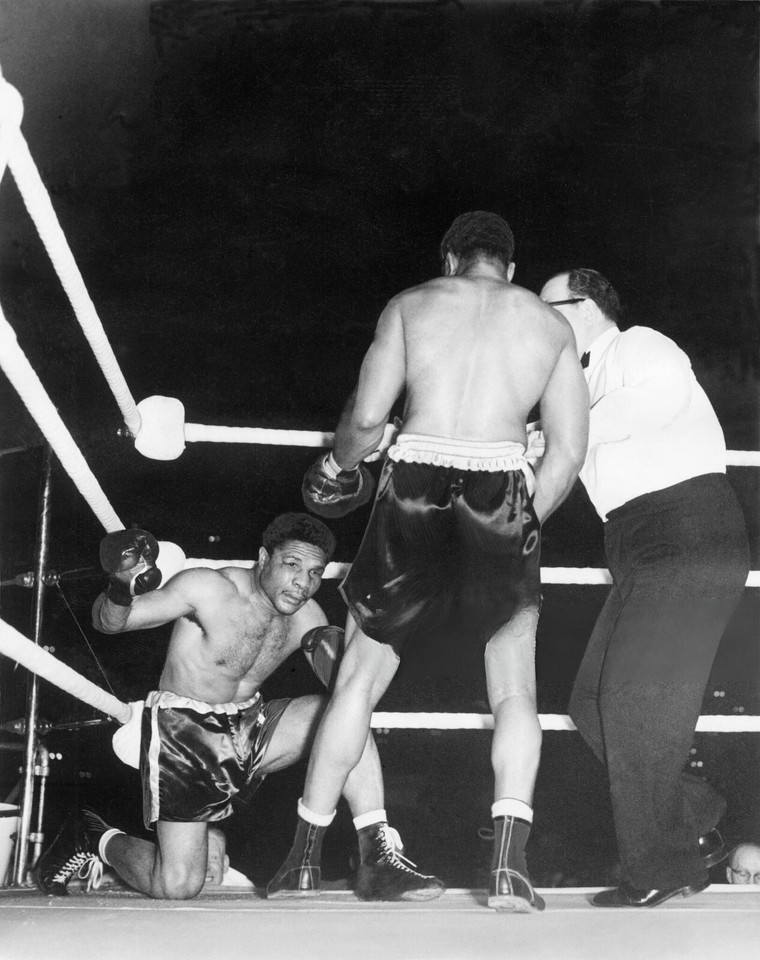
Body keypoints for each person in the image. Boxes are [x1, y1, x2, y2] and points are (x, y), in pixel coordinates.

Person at [268, 212, 589, 912]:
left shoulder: (412, 305)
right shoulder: (549, 325)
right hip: (501, 488)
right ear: (511, 263)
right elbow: (566, 456)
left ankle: (301, 862)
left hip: (413, 480)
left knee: (356, 680)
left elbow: (364, 421)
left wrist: (338, 464)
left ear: (450, 258)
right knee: (513, 690)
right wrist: (521, 516)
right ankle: (509, 866)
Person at [35, 512, 443, 901]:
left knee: (348, 715)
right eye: (292, 565)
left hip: (252, 724)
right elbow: (113, 622)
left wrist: (378, 625)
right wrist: (120, 587)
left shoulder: (307, 616)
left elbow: (349, 681)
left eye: (315, 573)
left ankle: (378, 854)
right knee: (177, 884)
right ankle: (93, 837)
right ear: (264, 558)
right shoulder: (208, 588)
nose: (303, 583)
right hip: (186, 734)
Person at [538, 268, 750, 908]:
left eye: (547, 309)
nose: (536, 322)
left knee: (631, 700)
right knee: (591, 699)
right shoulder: (575, 385)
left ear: (585, 307)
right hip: (640, 547)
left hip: (687, 533)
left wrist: (556, 433)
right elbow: (558, 449)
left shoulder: (640, 347)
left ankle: (661, 865)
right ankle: (694, 814)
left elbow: (641, 411)